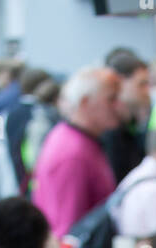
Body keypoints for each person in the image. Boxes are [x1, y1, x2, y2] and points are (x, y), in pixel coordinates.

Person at [32, 66, 121, 237]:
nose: (118, 106)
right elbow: (67, 232)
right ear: (85, 103)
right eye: (111, 99)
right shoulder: (73, 152)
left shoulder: (80, 140)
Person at [102, 48, 151, 185]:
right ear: (121, 82)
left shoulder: (131, 122)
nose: (147, 91)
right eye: (142, 84)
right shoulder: (111, 128)